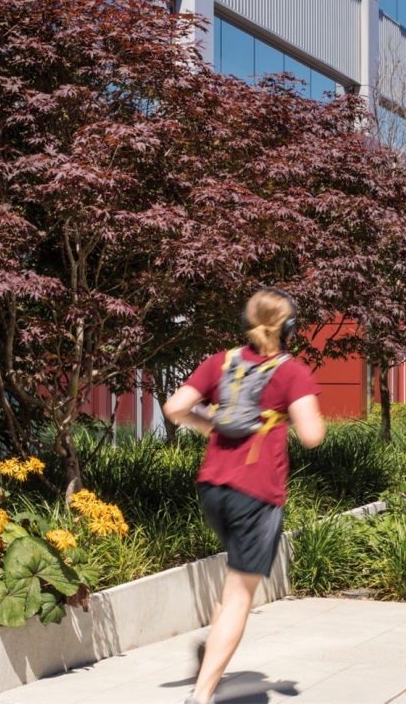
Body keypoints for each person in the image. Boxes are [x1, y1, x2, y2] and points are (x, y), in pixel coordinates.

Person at [163, 289, 325, 704]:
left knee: (233, 583)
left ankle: (213, 649)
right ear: (289, 328)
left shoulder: (222, 361)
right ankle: (201, 696)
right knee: (240, 597)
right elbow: (312, 437)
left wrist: (214, 425)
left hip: (213, 489)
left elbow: (174, 407)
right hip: (257, 495)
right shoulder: (292, 372)